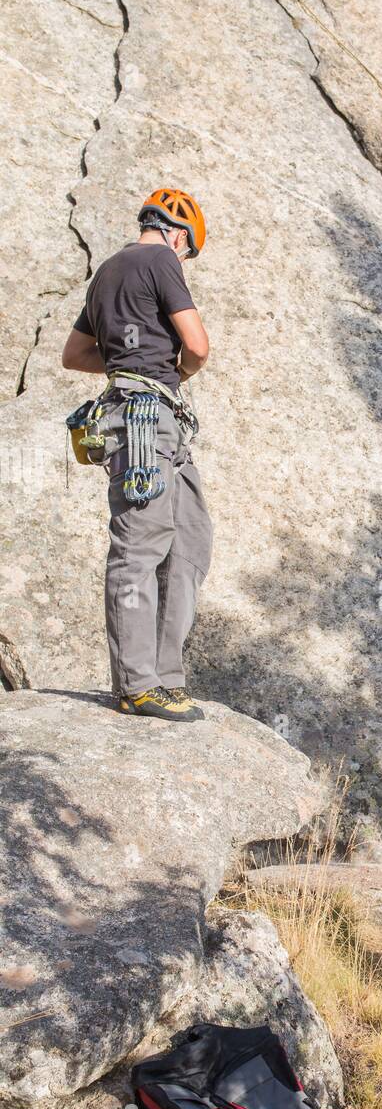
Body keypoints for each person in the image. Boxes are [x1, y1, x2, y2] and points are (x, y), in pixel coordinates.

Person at [62, 188, 213, 722]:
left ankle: (165, 679)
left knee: (188, 544)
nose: (185, 261)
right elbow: (196, 346)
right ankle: (135, 686)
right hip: (147, 422)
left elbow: (74, 354)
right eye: (188, 252)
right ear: (179, 234)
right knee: (139, 551)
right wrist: (172, 370)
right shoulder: (160, 259)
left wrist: (125, 358)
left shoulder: (107, 272)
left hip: (156, 425)